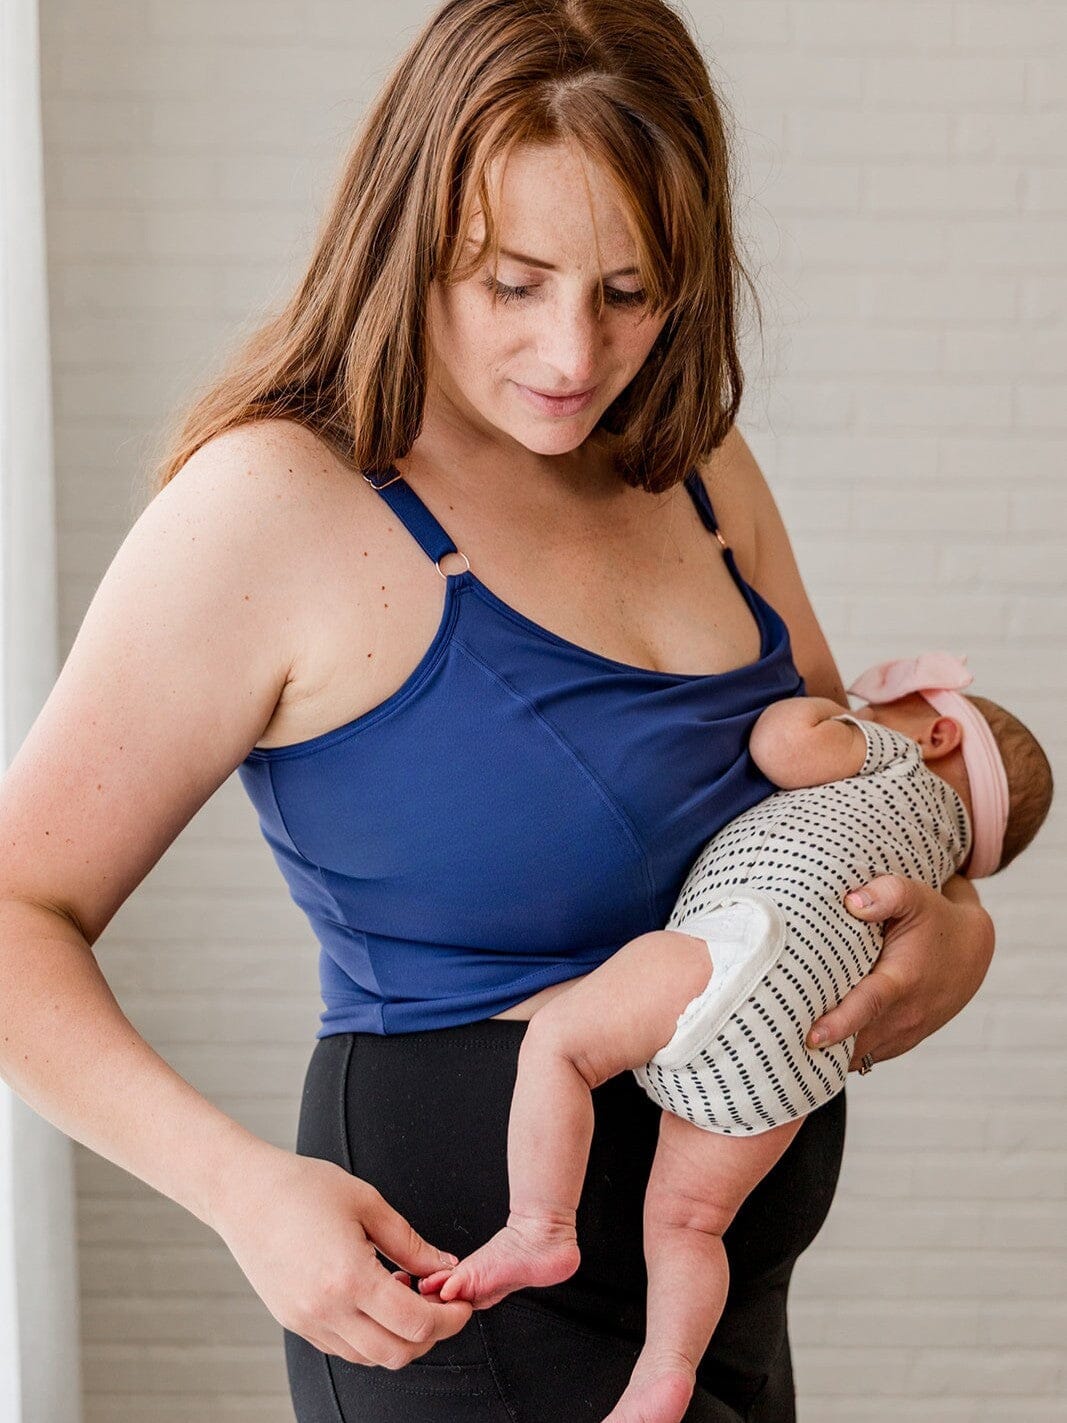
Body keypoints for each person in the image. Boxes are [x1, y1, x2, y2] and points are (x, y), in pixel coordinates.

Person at [0, 3, 996, 1421]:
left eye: (628, 291)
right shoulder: (272, 504)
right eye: (511, 282)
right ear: (407, 237)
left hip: (721, 1297)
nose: (571, 354)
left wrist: (955, 930)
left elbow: (843, 795)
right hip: (457, 1295)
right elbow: (15, 909)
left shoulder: (694, 464)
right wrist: (240, 1190)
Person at [412, 653, 1053, 1423]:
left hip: (739, 953)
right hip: (799, 1059)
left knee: (560, 1045)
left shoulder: (890, 756)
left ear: (939, 734)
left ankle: (538, 1227)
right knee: (689, 1223)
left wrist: (820, 716)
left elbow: (779, 745)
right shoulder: (937, 871)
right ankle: (665, 1370)